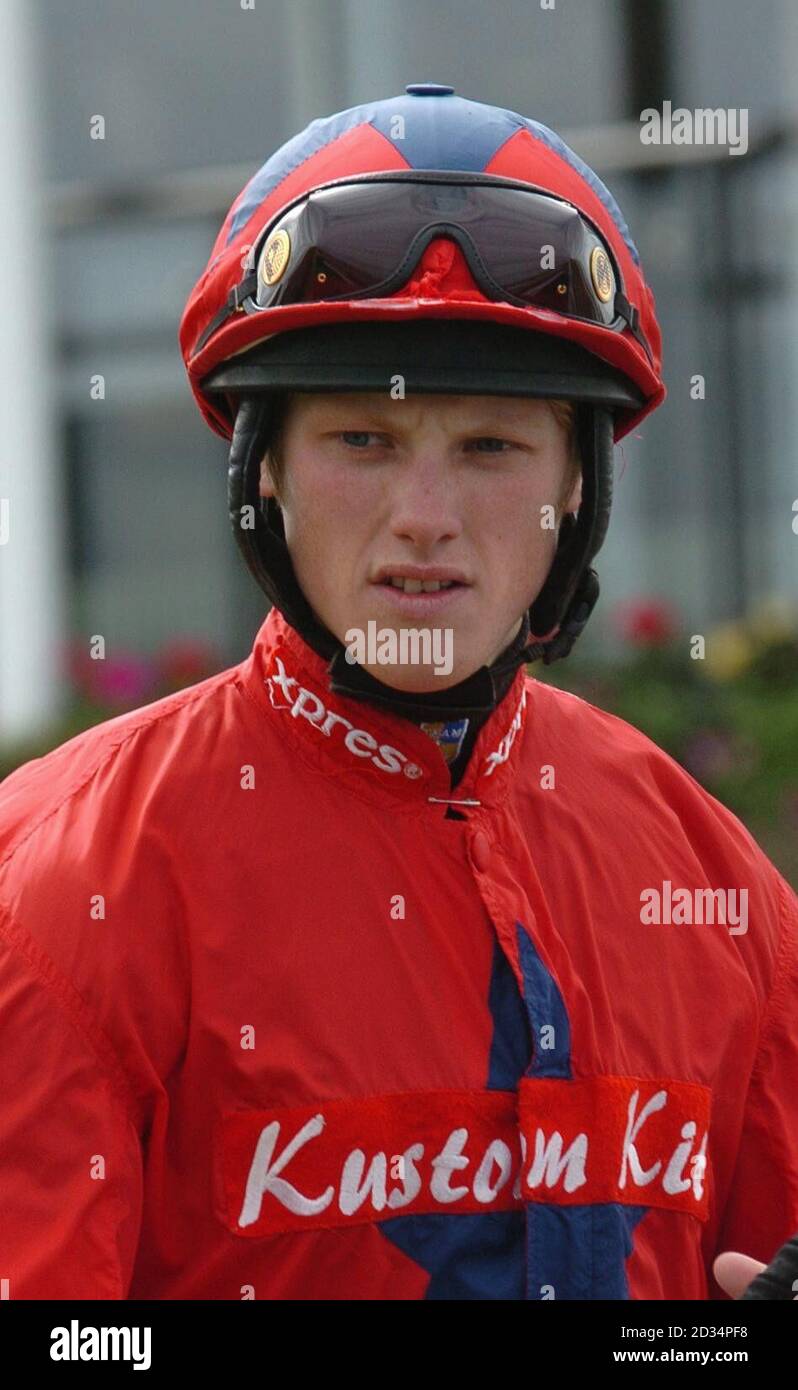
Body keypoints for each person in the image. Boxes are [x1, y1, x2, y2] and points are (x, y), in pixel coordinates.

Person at [0, 84, 796, 1302]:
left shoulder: (715, 881)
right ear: (261, 464)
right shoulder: (63, 893)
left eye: (490, 448)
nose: (425, 523)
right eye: (362, 442)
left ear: (575, 489)